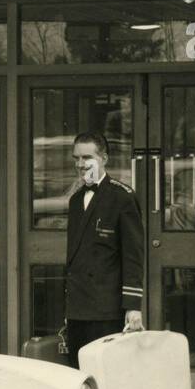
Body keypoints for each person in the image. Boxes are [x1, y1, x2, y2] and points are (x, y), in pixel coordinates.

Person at [64, 130, 145, 367]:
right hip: (78, 308)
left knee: (107, 376)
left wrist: (133, 307)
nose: (80, 164)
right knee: (78, 375)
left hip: (106, 310)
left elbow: (133, 255)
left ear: (104, 159)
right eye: (76, 158)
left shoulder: (122, 197)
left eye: (87, 158)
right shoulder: (75, 200)